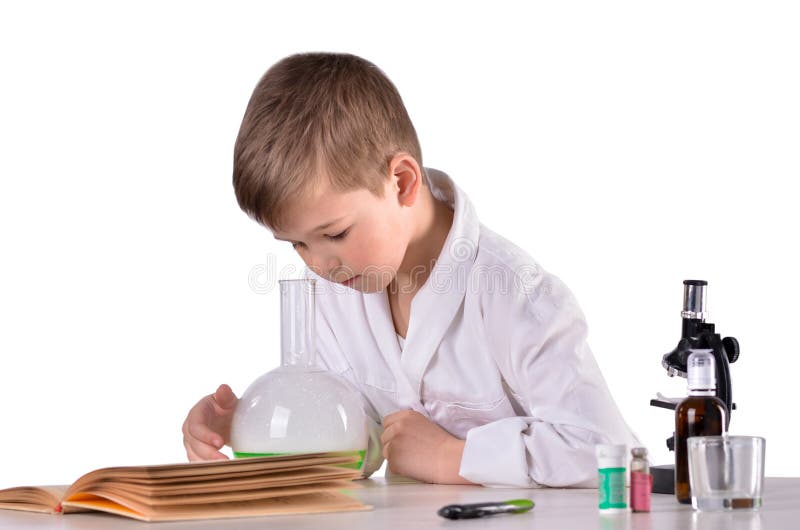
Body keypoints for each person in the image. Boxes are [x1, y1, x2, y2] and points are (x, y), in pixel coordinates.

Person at [182, 52, 638, 488]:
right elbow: (360, 446)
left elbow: (607, 451)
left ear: (401, 182)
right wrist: (250, 428)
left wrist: (452, 458)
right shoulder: (334, 291)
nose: (318, 265)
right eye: (297, 243)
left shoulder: (515, 296)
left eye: (335, 234)